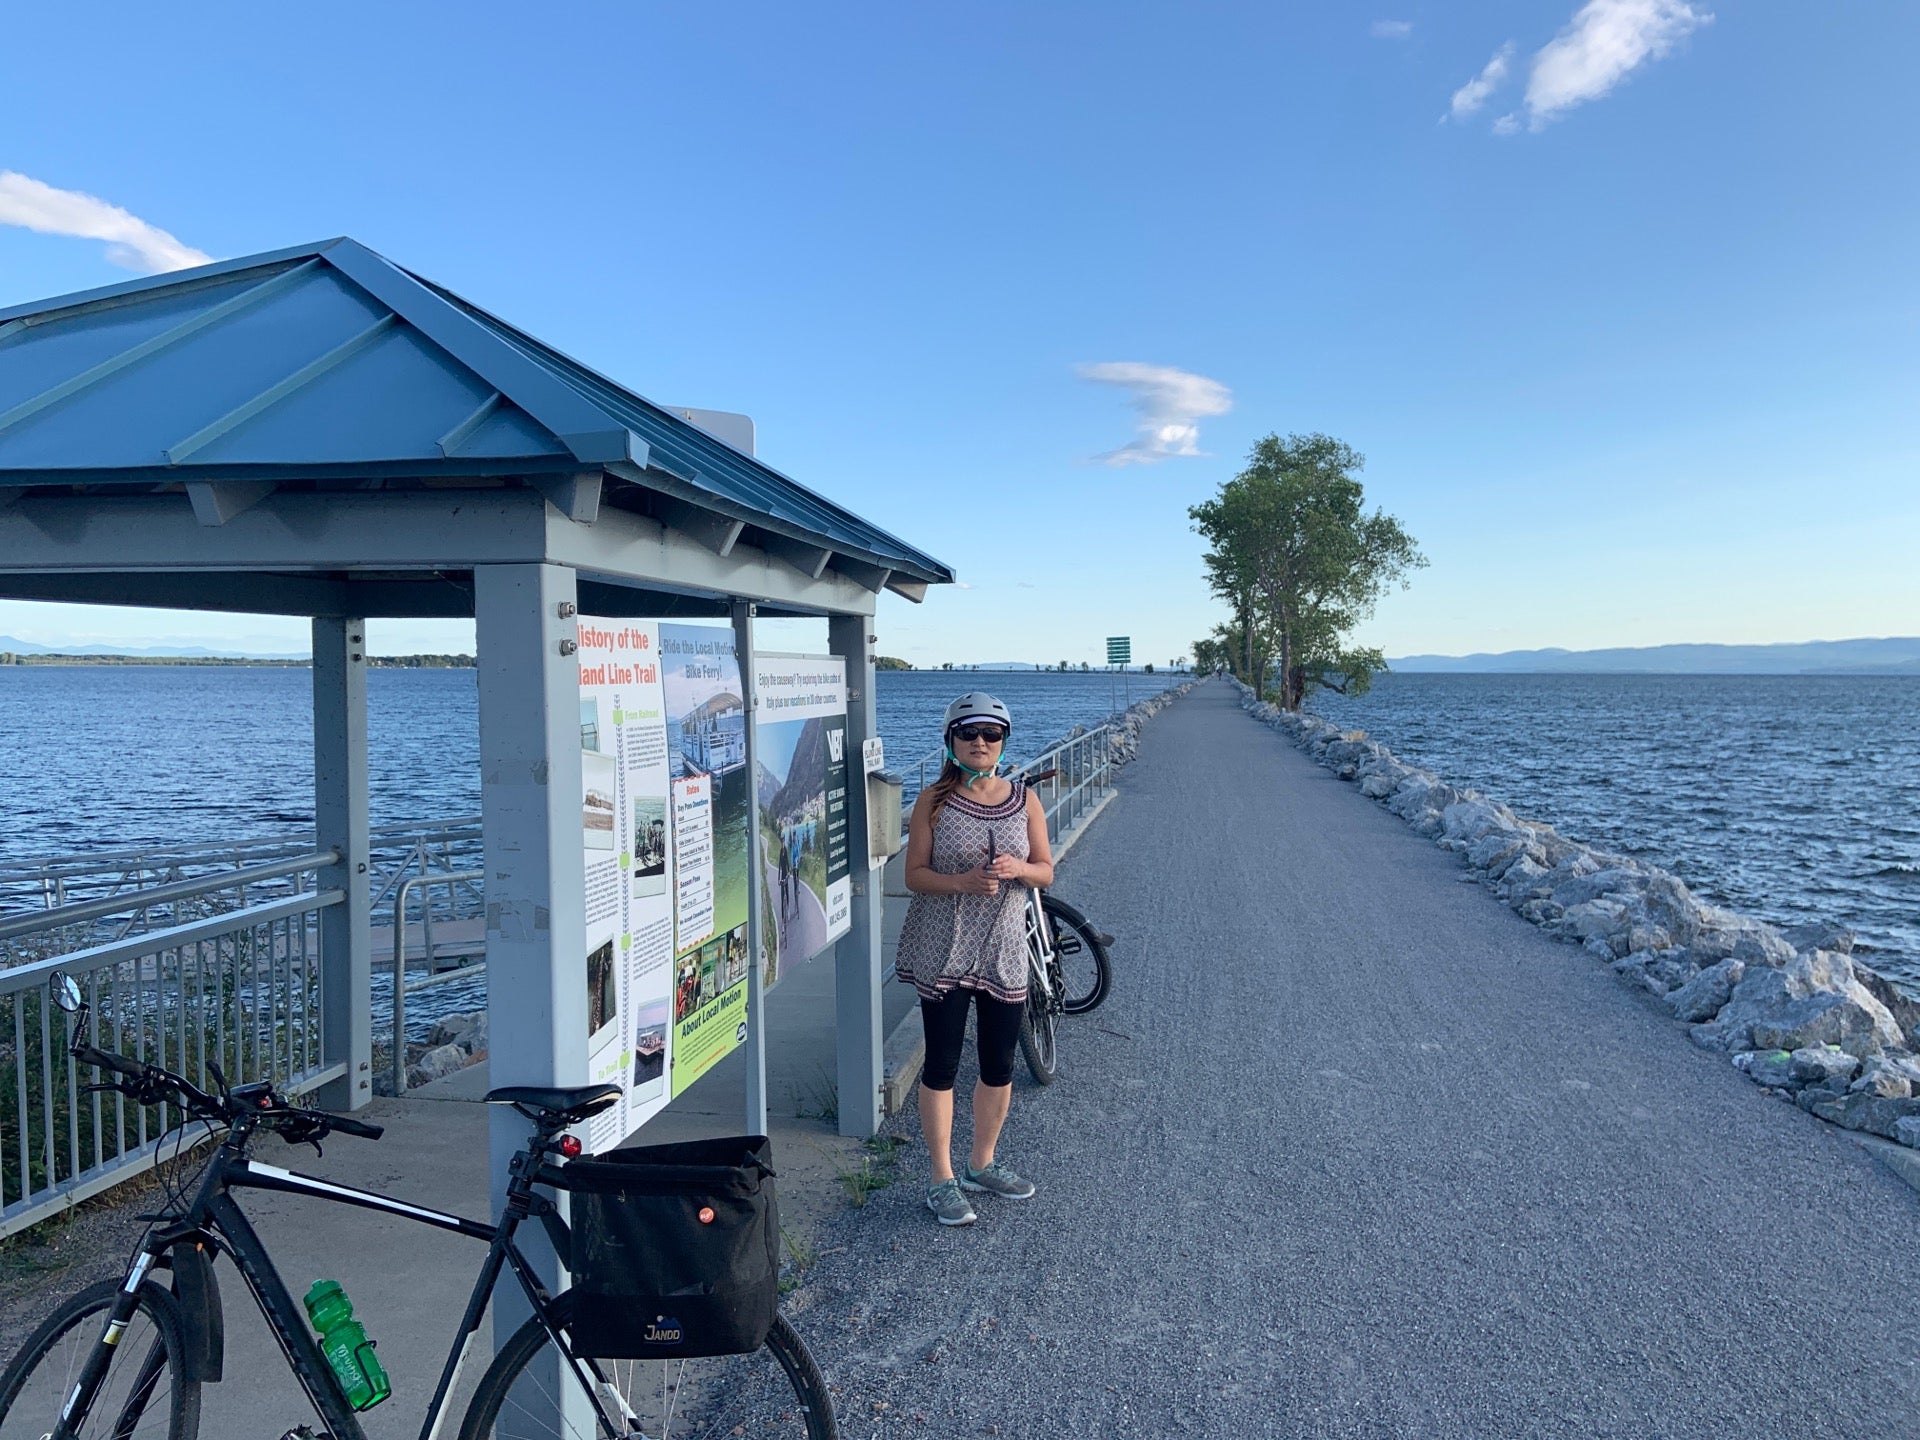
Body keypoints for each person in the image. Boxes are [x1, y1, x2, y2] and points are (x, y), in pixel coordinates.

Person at [895, 692, 1055, 1226]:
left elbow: (1046, 870)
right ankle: (941, 1178)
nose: (981, 742)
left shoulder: (1024, 799)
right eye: (969, 733)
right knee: (941, 1065)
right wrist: (963, 881)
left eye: (992, 733)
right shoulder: (931, 802)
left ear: (1004, 739)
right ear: (950, 741)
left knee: (998, 1062)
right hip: (945, 948)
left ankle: (981, 1163)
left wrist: (1018, 869)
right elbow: (913, 875)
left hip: (1004, 947)